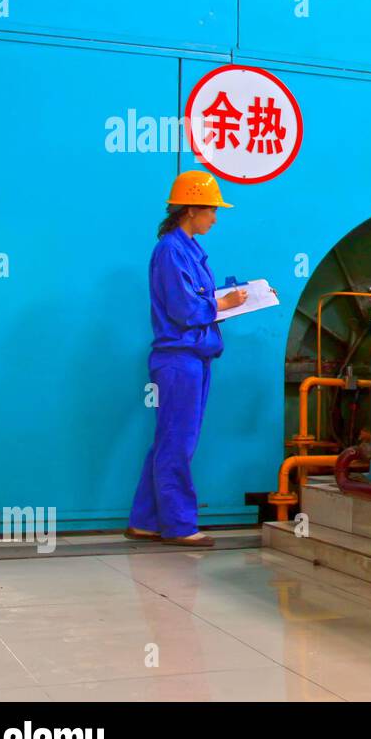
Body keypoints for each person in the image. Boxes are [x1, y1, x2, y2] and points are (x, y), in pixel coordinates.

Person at [126, 171, 247, 547]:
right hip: (179, 359)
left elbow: (194, 301)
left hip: (192, 357)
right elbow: (184, 308)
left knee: (170, 439)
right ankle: (179, 525)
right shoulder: (170, 251)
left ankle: (145, 521)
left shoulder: (188, 250)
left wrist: (230, 298)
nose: (215, 217)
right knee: (178, 441)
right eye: (211, 210)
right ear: (192, 208)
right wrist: (223, 303)